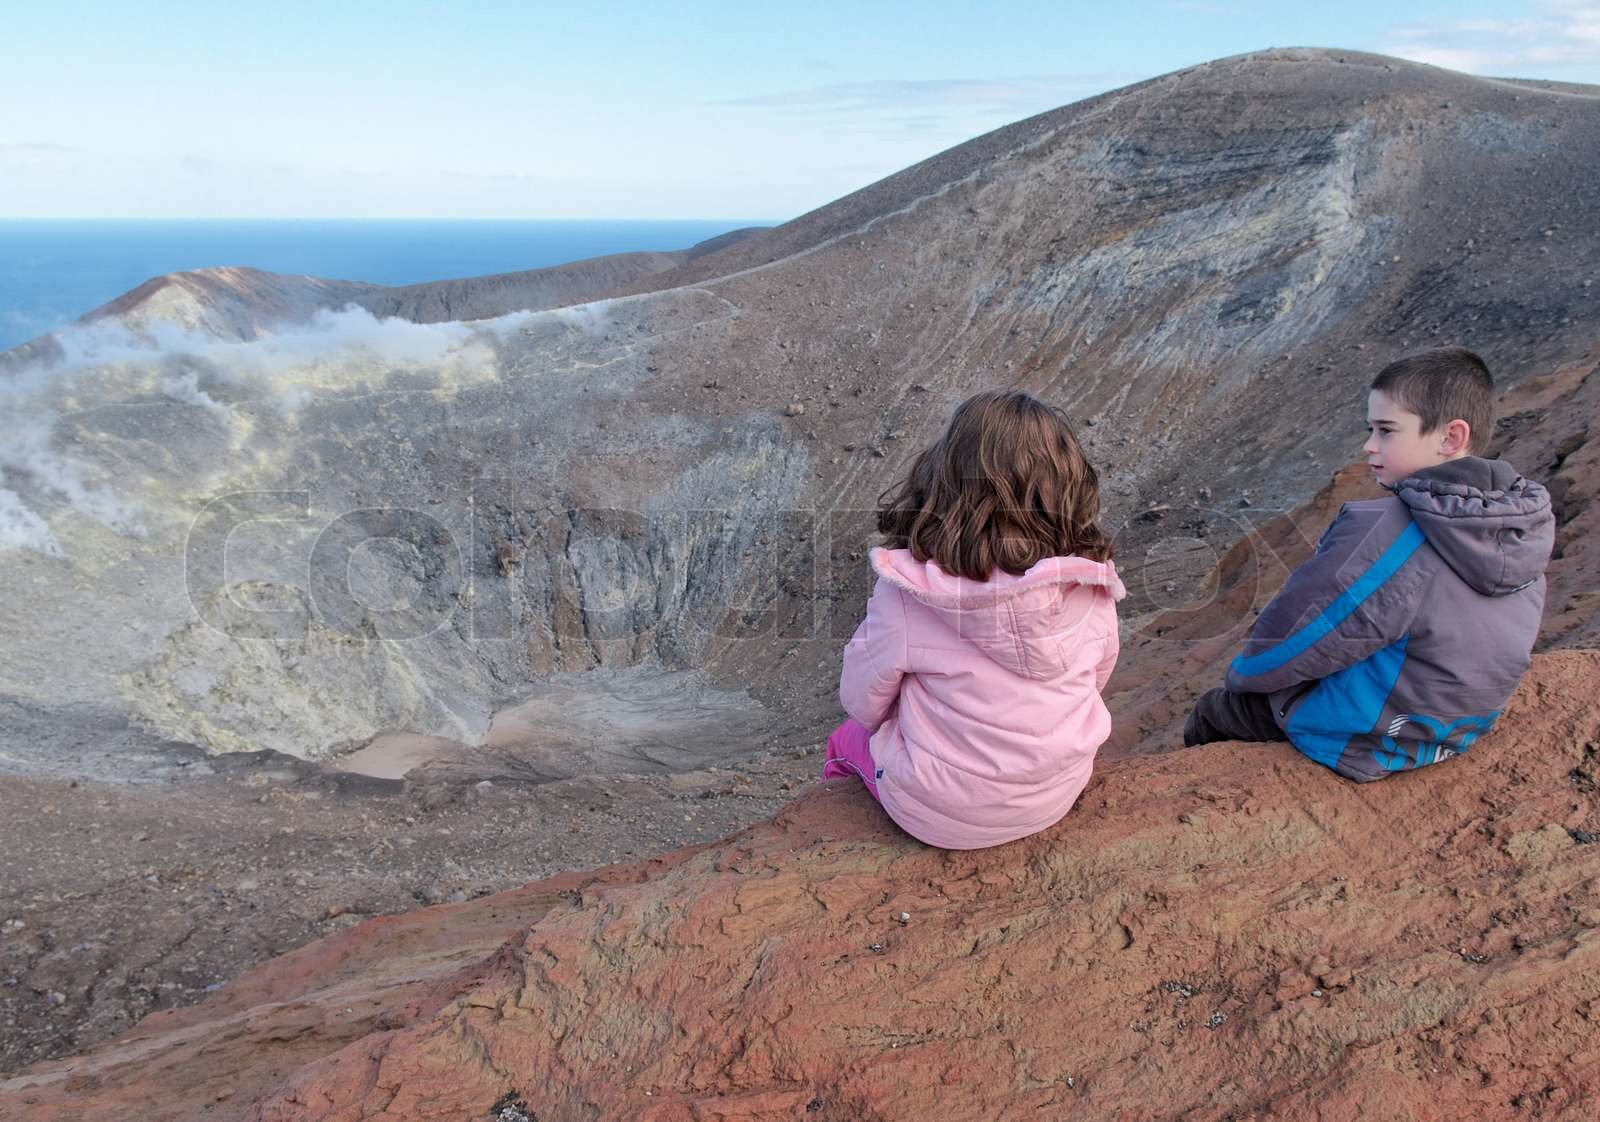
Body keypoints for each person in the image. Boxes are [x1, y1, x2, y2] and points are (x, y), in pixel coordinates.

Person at [1184, 346, 1555, 780]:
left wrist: (1244, 678)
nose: (1369, 446)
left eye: (1386, 430)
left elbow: (1300, 636)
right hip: (1456, 728)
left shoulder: (1387, 529)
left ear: (1450, 438)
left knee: (1217, 711)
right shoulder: (1521, 523)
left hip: (1373, 738)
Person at [822, 388, 1125, 849]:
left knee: (845, 741)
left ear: (944, 484)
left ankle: (831, 831)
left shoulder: (910, 593)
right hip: (1054, 793)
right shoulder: (1091, 585)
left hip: (937, 814)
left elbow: (862, 702)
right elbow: (1094, 680)